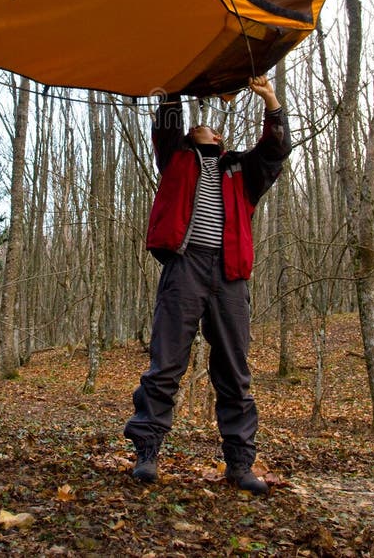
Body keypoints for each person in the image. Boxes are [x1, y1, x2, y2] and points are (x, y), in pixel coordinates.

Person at [124, 75, 291, 494]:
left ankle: (239, 464)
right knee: (166, 365)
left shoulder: (241, 169)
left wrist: (270, 99)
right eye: (200, 126)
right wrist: (178, 80)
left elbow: (275, 151)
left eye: (215, 128)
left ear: (221, 138)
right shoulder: (176, 156)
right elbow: (166, 118)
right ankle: (147, 454)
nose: (208, 127)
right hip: (185, 267)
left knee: (235, 372)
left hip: (230, 273)